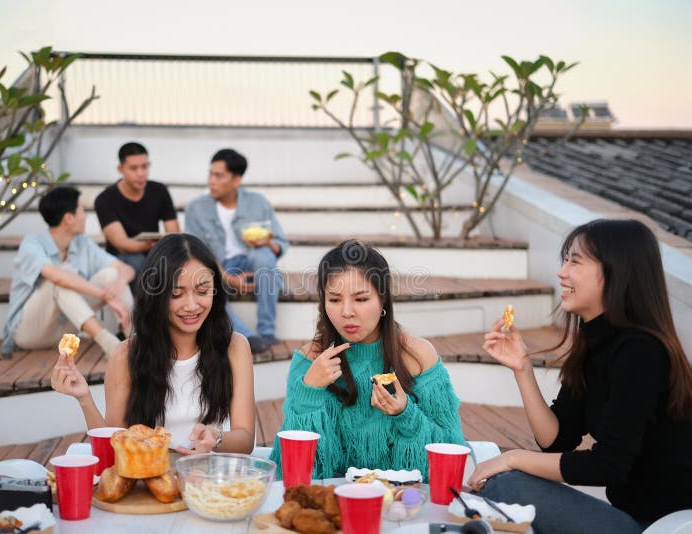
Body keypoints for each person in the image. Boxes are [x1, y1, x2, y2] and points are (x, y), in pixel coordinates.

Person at [469, 219, 692, 533]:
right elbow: (556, 439)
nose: (562, 272)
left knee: (506, 483)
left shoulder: (641, 352)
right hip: (627, 517)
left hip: (663, 526)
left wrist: (514, 458)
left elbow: (606, 466)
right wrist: (523, 370)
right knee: (504, 480)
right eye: (565, 260)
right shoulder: (597, 344)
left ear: (617, 272)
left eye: (575, 260)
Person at [269, 240, 465, 480]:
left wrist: (405, 414)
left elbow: (452, 451)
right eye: (334, 299)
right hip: (333, 497)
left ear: (383, 300)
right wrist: (308, 393)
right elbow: (291, 468)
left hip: (404, 499)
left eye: (361, 299)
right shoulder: (311, 360)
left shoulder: (417, 355)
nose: (347, 312)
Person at [51, 233, 255, 454]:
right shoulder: (126, 355)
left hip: (209, 479)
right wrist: (84, 398)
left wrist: (216, 439)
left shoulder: (235, 346)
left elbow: (245, 440)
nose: (192, 305)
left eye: (202, 291)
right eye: (177, 294)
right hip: (149, 479)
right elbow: (113, 450)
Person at [1, 186, 134, 359]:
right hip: (29, 334)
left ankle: (136, 343)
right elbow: (58, 276)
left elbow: (125, 268)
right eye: (82, 210)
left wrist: (118, 284)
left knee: (111, 275)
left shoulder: (82, 243)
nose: (85, 215)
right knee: (57, 282)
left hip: (66, 333)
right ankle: (111, 345)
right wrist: (105, 295)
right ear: (68, 218)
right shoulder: (32, 244)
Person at [184, 148, 288, 354]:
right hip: (217, 268)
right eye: (210, 174)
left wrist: (266, 242)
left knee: (265, 257)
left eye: (218, 175)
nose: (211, 181)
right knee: (204, 283)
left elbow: (279, 243)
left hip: (252, 265)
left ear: (236, 179)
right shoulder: (196, 209)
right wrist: (227, 278)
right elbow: (195, 252)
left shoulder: (258, 202)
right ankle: (247, 337)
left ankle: (267, 331)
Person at [94, 142, 180, 293]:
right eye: (134, 168)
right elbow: (122, 244)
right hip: (121, 258)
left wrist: (160, 246)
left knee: (174, 259)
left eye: (145, 167)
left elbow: (173, 232)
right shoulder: (105, 199)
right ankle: (142, 313)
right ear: (120, 169)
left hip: (153, 252)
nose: (141, 173)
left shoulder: (159, 191)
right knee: (138, 261)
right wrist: (152, 246)